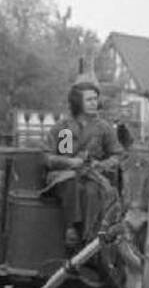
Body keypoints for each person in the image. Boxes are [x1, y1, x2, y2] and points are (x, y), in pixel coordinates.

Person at [44, 82, 123, 251]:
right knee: (71, 181)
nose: (94, 103)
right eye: (89, 100)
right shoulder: (63, 127)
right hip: (61, 176)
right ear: (77, 102)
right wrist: (69, 162)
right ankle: (71, 228)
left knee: (93, 191)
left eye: (96, 99)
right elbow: (48, 156)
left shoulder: (104, 128)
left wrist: (102, 164)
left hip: (91, 175)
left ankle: (90, 238)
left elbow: (118, 155)